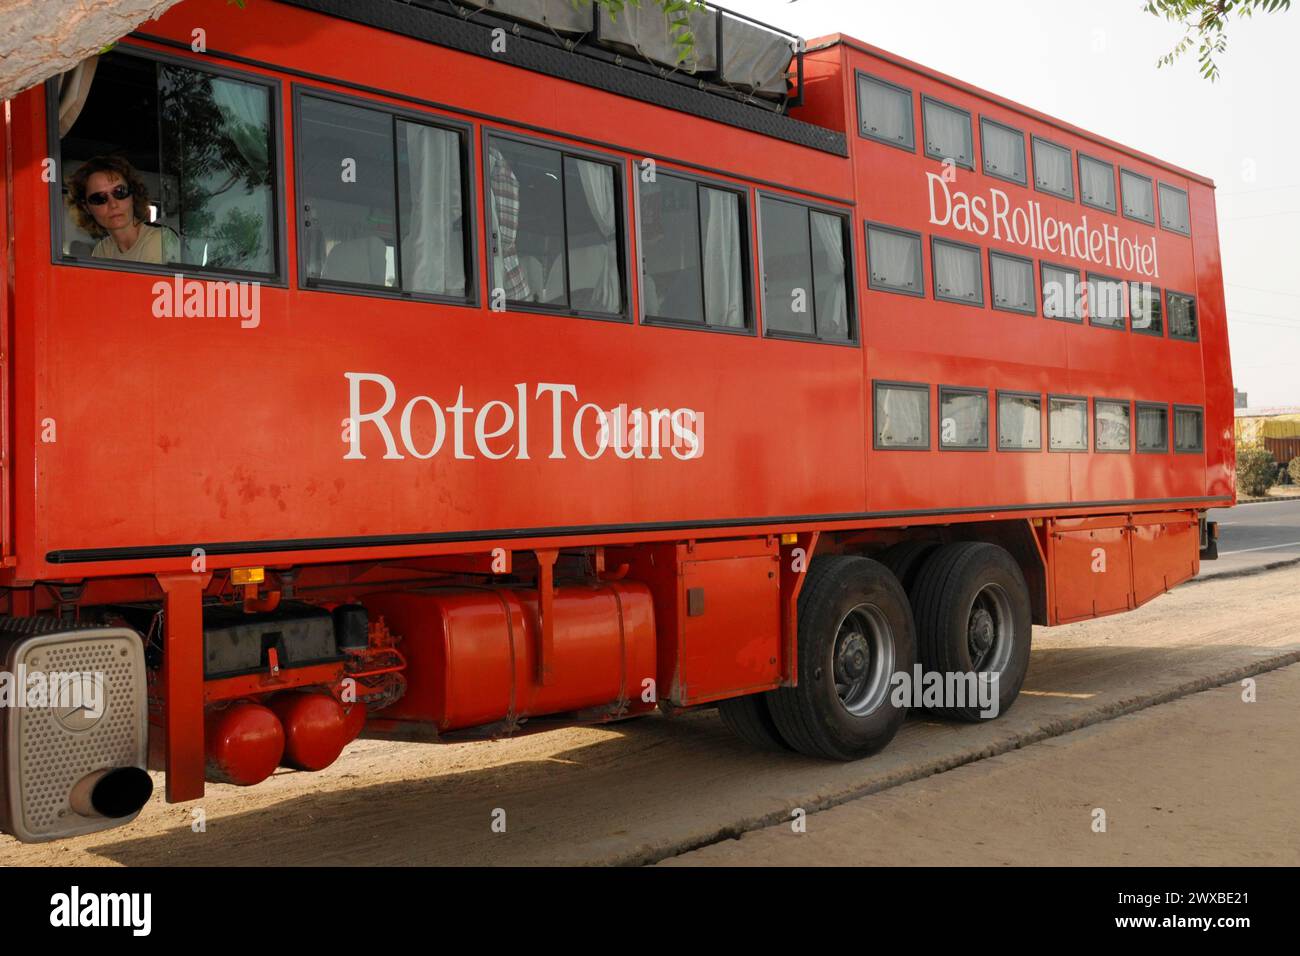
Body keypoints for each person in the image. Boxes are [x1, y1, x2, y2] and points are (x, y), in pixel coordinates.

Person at [66, 156, 179, 264]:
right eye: (99, 198)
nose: (113, 204)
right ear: (86, 208)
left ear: (133, 195)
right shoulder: (102, 250)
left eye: (120, 192)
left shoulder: (160, 240)